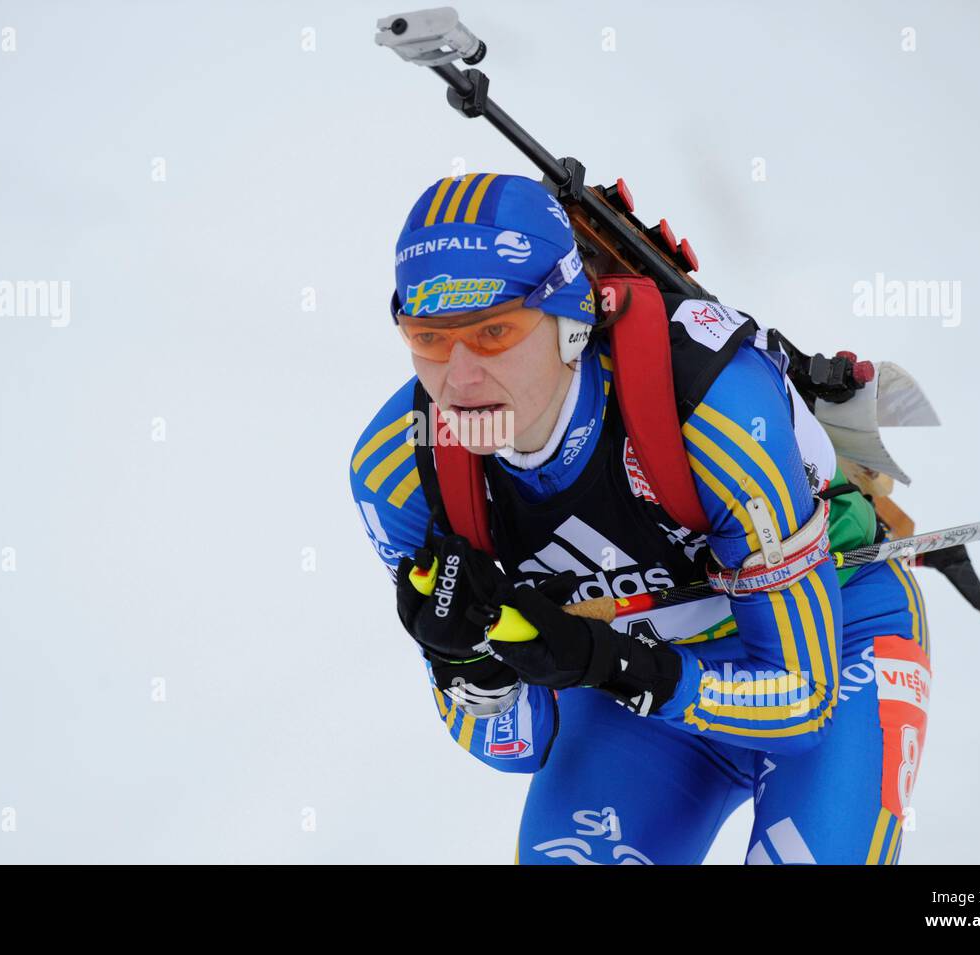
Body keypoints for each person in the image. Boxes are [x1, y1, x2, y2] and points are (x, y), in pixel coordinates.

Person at [349, 173, 931, 865]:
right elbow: (518, 747)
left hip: (837, 638)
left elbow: (803, 699)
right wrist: (467, 660)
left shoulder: (715, 410)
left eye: (494, 331)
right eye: (429, 338)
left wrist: (613, 662)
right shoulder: (400, 468)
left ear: (571, 323)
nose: (461, 377)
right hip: (643, 695)